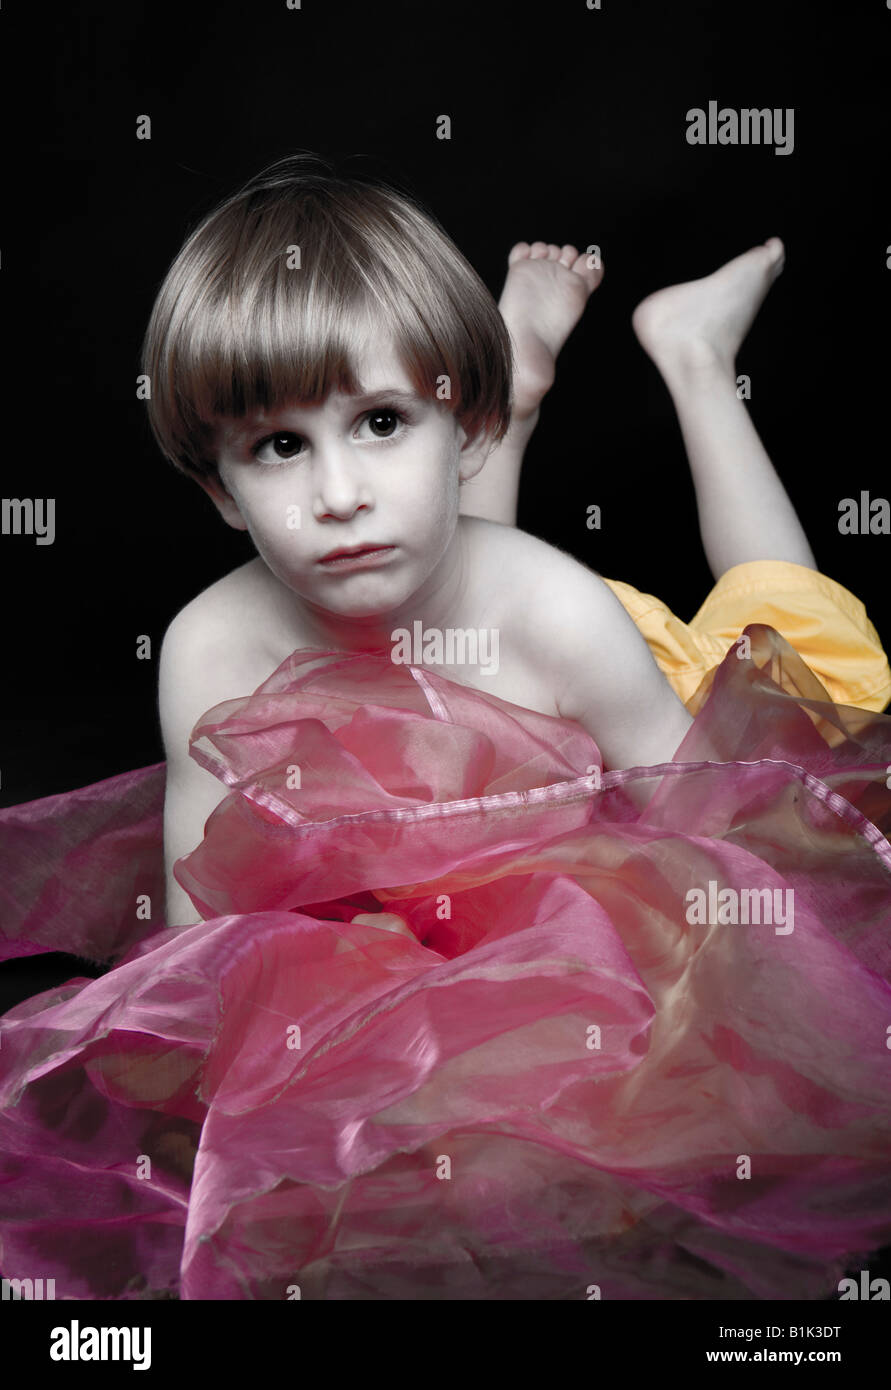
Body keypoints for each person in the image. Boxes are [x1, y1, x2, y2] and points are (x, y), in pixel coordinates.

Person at [0, 155, 888, 1301]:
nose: (337, 495)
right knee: (422, 596)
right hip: (466, 665)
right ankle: (512, 376)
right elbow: (195, 943)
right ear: (218, 488)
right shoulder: (210, 648)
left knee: (787, 616)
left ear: (451, 424)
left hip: (633, 714)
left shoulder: (561, 616)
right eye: (278, 446)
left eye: (379, 421)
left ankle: (693, 356)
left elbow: (730, 844)